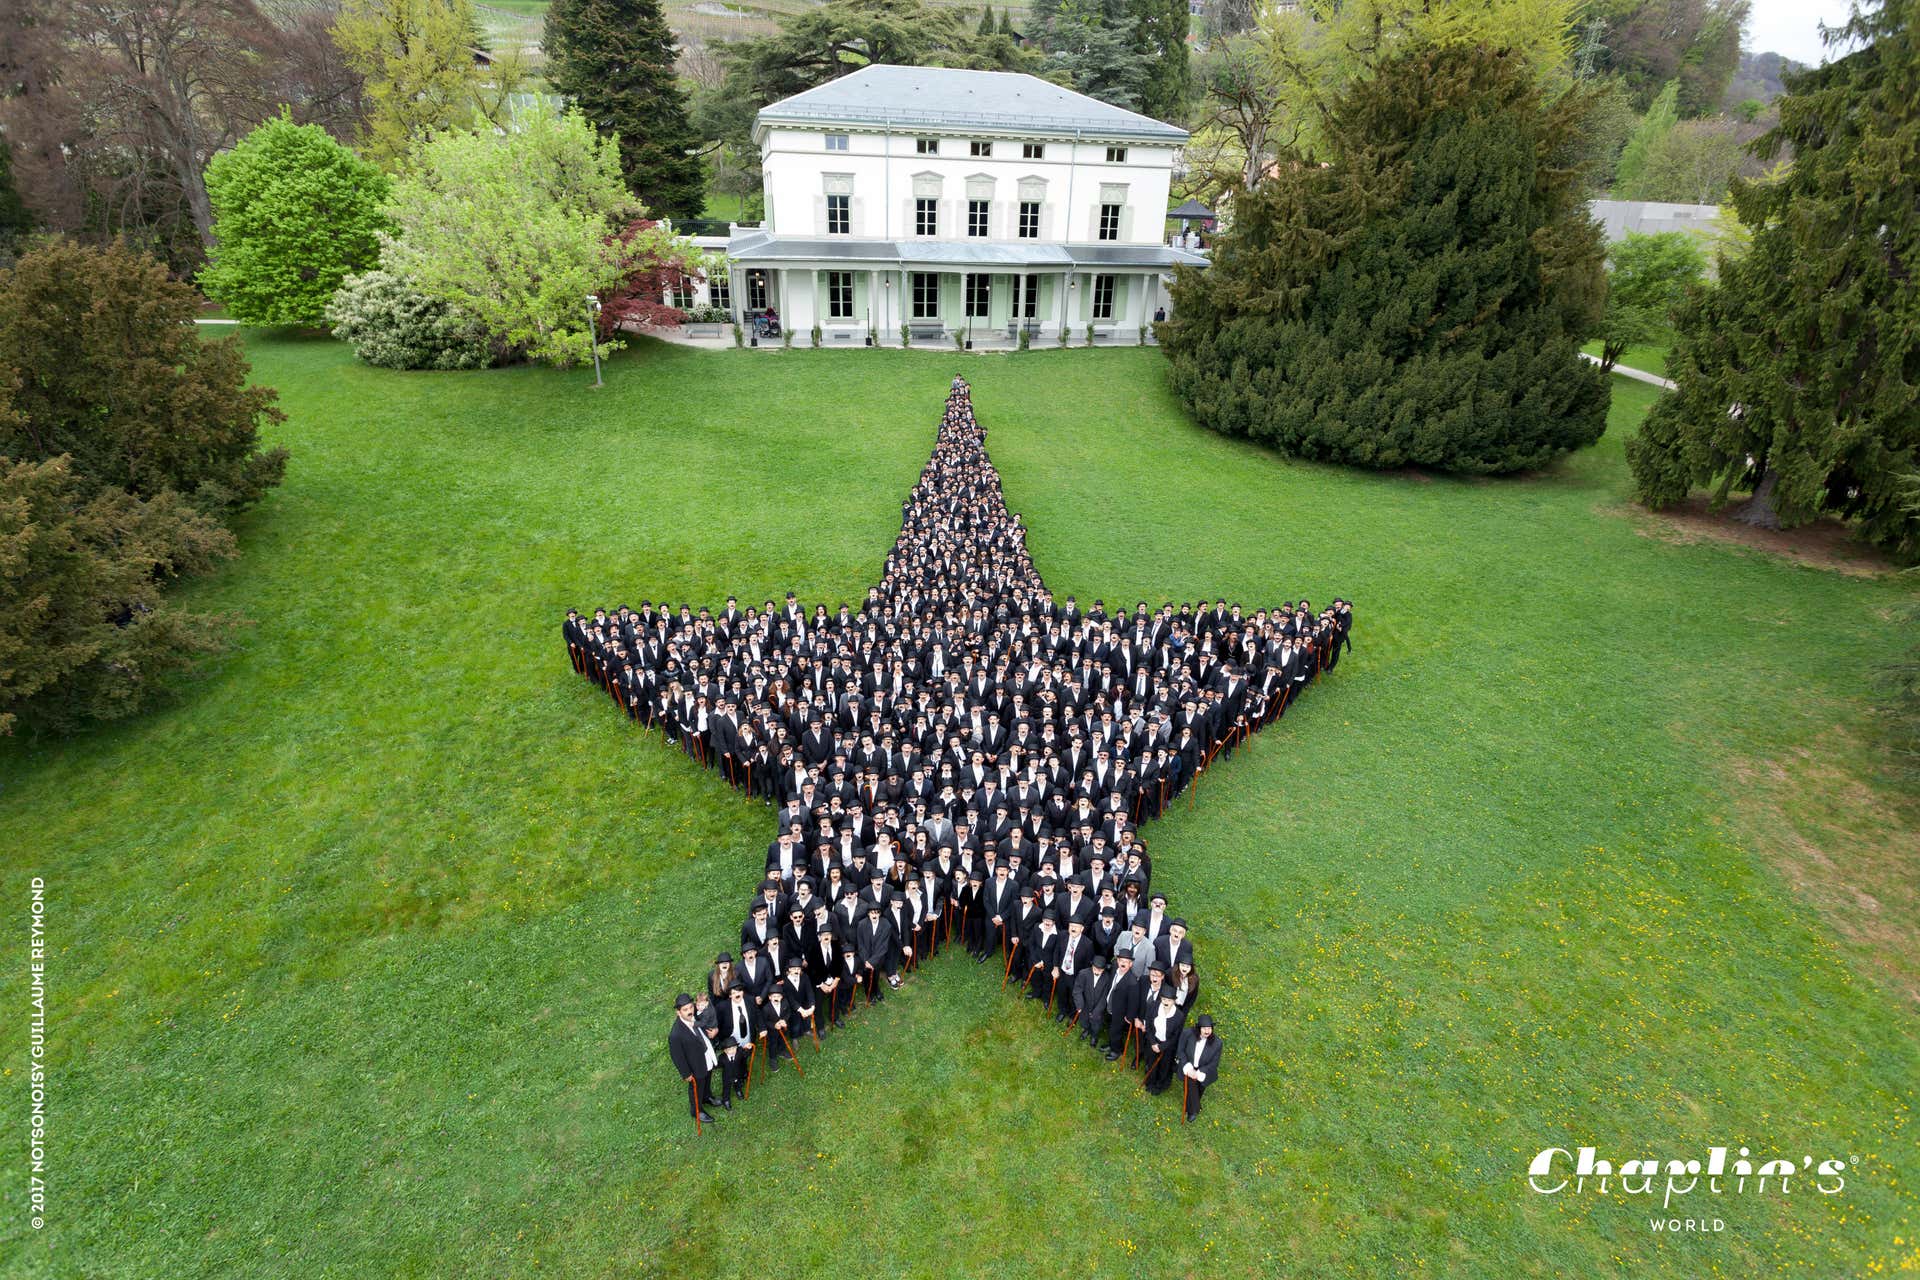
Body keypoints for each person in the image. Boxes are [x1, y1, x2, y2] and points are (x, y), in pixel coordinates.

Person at [574, 376, 1352, 1119]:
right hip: (902, 864)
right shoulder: (873, 782)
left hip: (1004, 859)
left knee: (983, 924)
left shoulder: (1046, 798)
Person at [668, 993, 720, 1125]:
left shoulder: (696, 1015)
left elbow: (707, 1021)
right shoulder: (676, 1034)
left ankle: (707, 1097)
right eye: (685, 1010)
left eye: (691, 1007)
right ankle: (696, 1110)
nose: (690, 1011)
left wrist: (714, 1030)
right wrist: (686, 1073)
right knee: (697, 1087)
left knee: (708, 1077)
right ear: (678, 1012)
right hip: (695, 1064)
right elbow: (677, 1056)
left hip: (706, 1054)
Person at [1177, 1014, 1221, 1120]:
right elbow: (1180, 1050)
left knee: (1200, 1088)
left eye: (1209, 1028)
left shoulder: (1217, 1043)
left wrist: (1199, 1072)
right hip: (1189, 1066)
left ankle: (1193, 1105)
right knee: (1191, 1087)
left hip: (1204, 1070)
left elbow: (1215, 1063)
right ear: (1198, 1028)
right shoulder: (1187, 1034)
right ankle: (1193, 1110)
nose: (1207, 1031)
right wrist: (1188, 1067)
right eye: (1204, 1028)